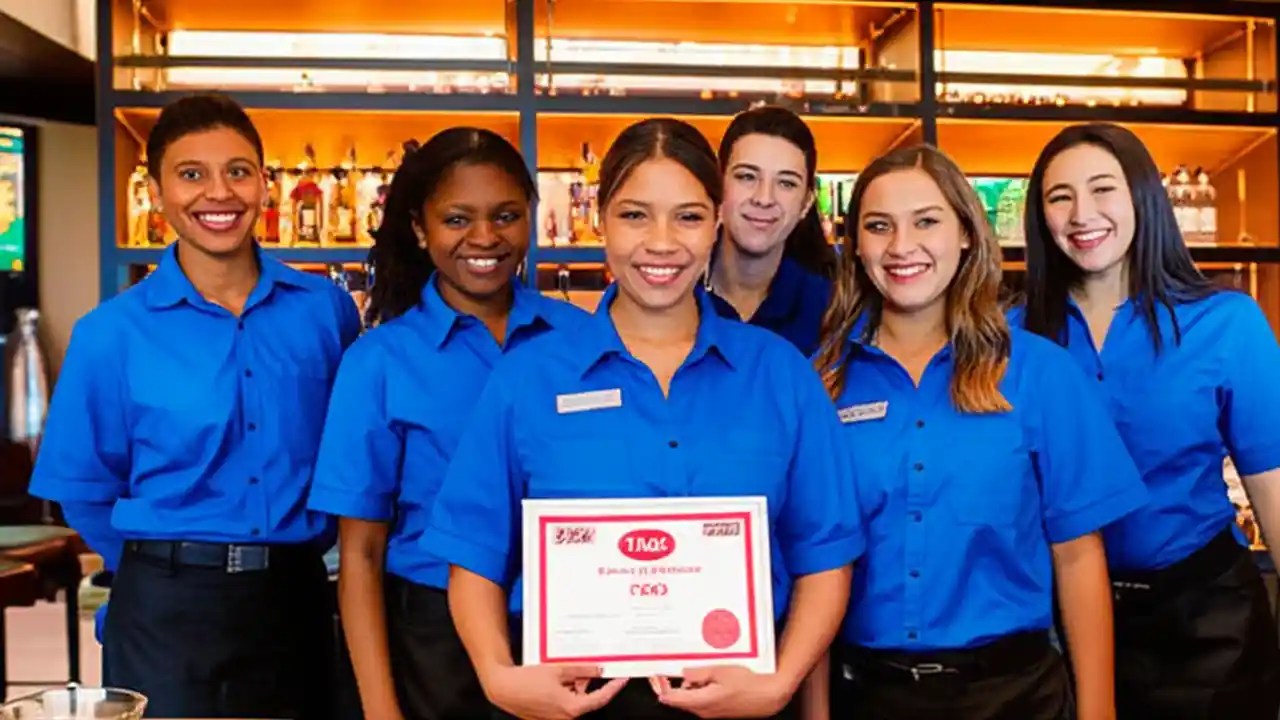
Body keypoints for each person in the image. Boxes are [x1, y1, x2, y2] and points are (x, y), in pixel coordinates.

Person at [424, 117, 864, 720]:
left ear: (716, 223)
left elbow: (825, 554)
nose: (662, 242)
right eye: (635, 215)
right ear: (601, 221)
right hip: (575, 706)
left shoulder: (781, 375)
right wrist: (499, 677)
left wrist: (781, 681)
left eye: (687, 216)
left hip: (744, 703)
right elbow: (472, 549)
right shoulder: (528, 378)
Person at [28, 93, 361, 719]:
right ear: (155, 192)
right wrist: (166, 569)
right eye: (191, 174)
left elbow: (347, 452)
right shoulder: (111, 334)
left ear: (266, 183)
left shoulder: (326, 311)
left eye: (238, 170)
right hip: (165, 610)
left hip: (297, 598)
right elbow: (85, 490)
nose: (219, 193)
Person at [814, 144, 1148, 720]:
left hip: (1014, 697)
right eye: (878, 226)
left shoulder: (1041, 373)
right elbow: (814, 563)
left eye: (926, 221)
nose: (901, 246)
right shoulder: (821, 382)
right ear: (855, 245)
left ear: (966, 233)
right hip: (865, 695)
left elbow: (1078, 559)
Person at [306, 127, 586, 720]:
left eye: (506, 216)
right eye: (458, 219)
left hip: (574, 627)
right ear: (419, 227)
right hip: (433, 643)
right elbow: (360, 557)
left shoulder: (584, 342)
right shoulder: (379, 363)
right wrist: (382, 710)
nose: (485, 237)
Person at [1013, 121, 1280, 719]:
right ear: (1040, 216)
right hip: (1059, 627)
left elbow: (1274, 494)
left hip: (1209, 621)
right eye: (1061, 197)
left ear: (1142, 195)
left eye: (1103, 189)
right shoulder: (1013, 337)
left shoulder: (1227, 322)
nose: (1083, 214)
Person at [705, 106, 837, 356]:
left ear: (806, 203)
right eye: (747, 177)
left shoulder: (830, 309)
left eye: (786, 183)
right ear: (718, 185)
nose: (764, 198)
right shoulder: (678, 289)